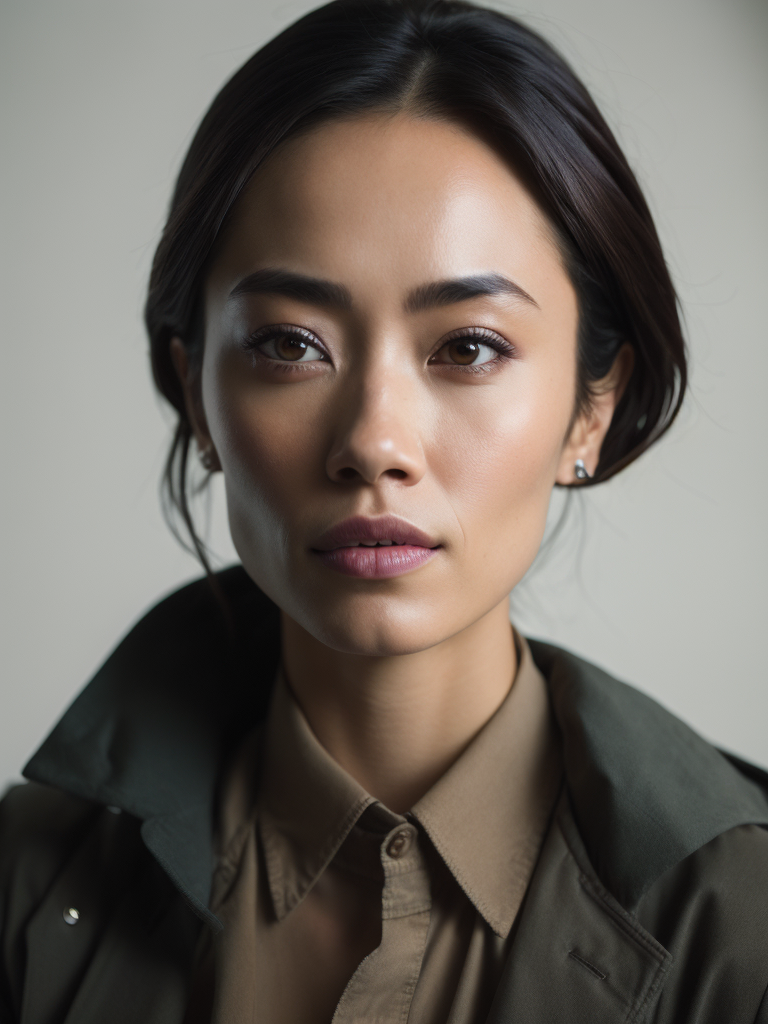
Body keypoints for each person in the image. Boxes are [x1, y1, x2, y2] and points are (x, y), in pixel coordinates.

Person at [1, 0, 767, 1021]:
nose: (373, 440)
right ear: (196, 395)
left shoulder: (741, 930)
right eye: (290, 343)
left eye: (469, 346)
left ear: (595, 404)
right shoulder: (27, 884)